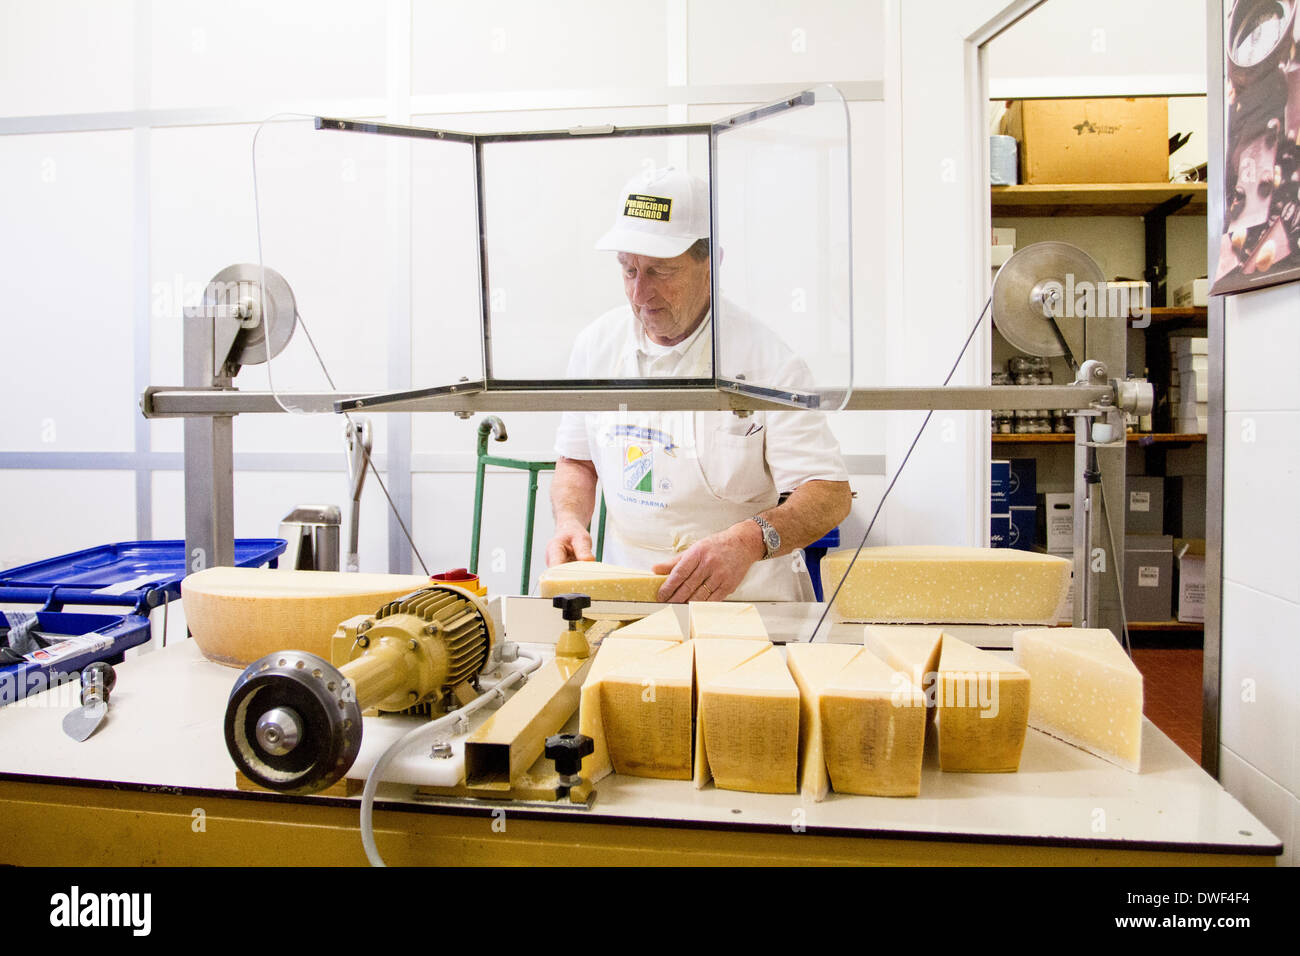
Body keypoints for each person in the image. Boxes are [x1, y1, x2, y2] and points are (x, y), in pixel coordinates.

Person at [546, 165, 851, 602]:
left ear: (711, 263)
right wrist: (570, 521)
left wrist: (749, 540)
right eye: (629, 270)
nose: (640, 294)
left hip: (747, 601)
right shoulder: (595, 347)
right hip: (627, 595)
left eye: (661, 272)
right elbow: (576, 461)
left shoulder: (769, 361)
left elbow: (828, 495)